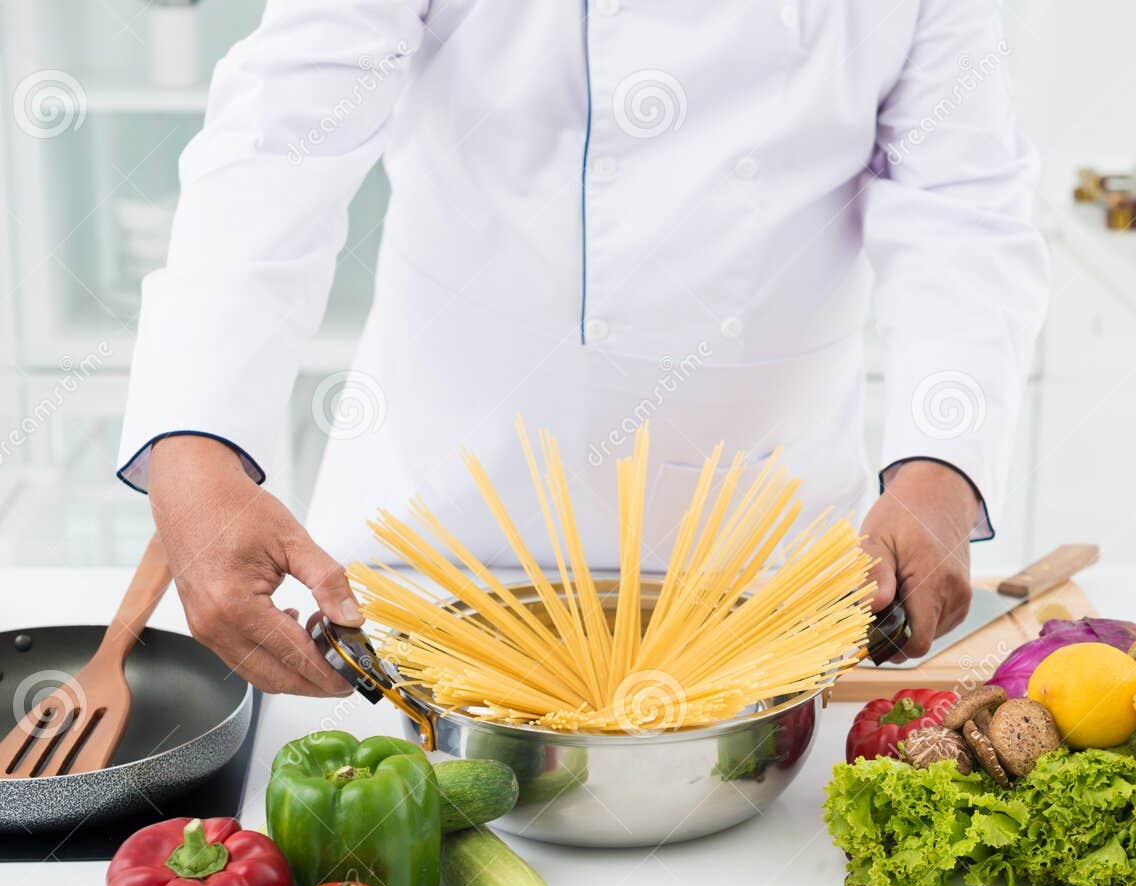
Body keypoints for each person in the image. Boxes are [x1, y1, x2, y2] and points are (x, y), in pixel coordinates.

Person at [117, 1, 1049, 697]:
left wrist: (941, 466)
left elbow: (962, 204)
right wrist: (192, 442)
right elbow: (282, 138)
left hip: (768, 576)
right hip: (439, 547)